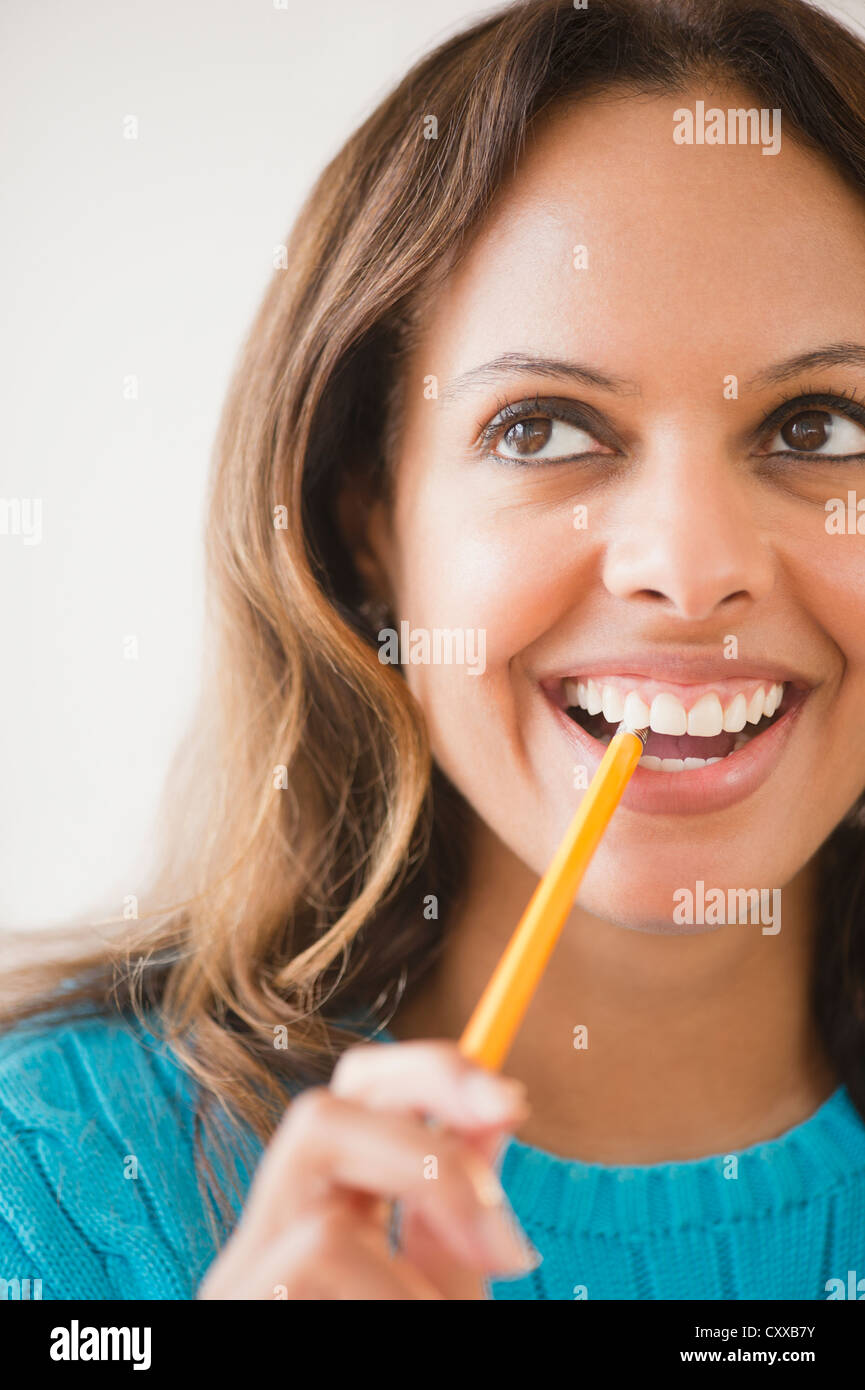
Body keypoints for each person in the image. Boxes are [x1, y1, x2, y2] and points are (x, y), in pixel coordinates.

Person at [3, 0, 865, 1301]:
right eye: (542, 428)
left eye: (820, 429)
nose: (687, 572)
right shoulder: (57, 1189)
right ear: (368, 534)